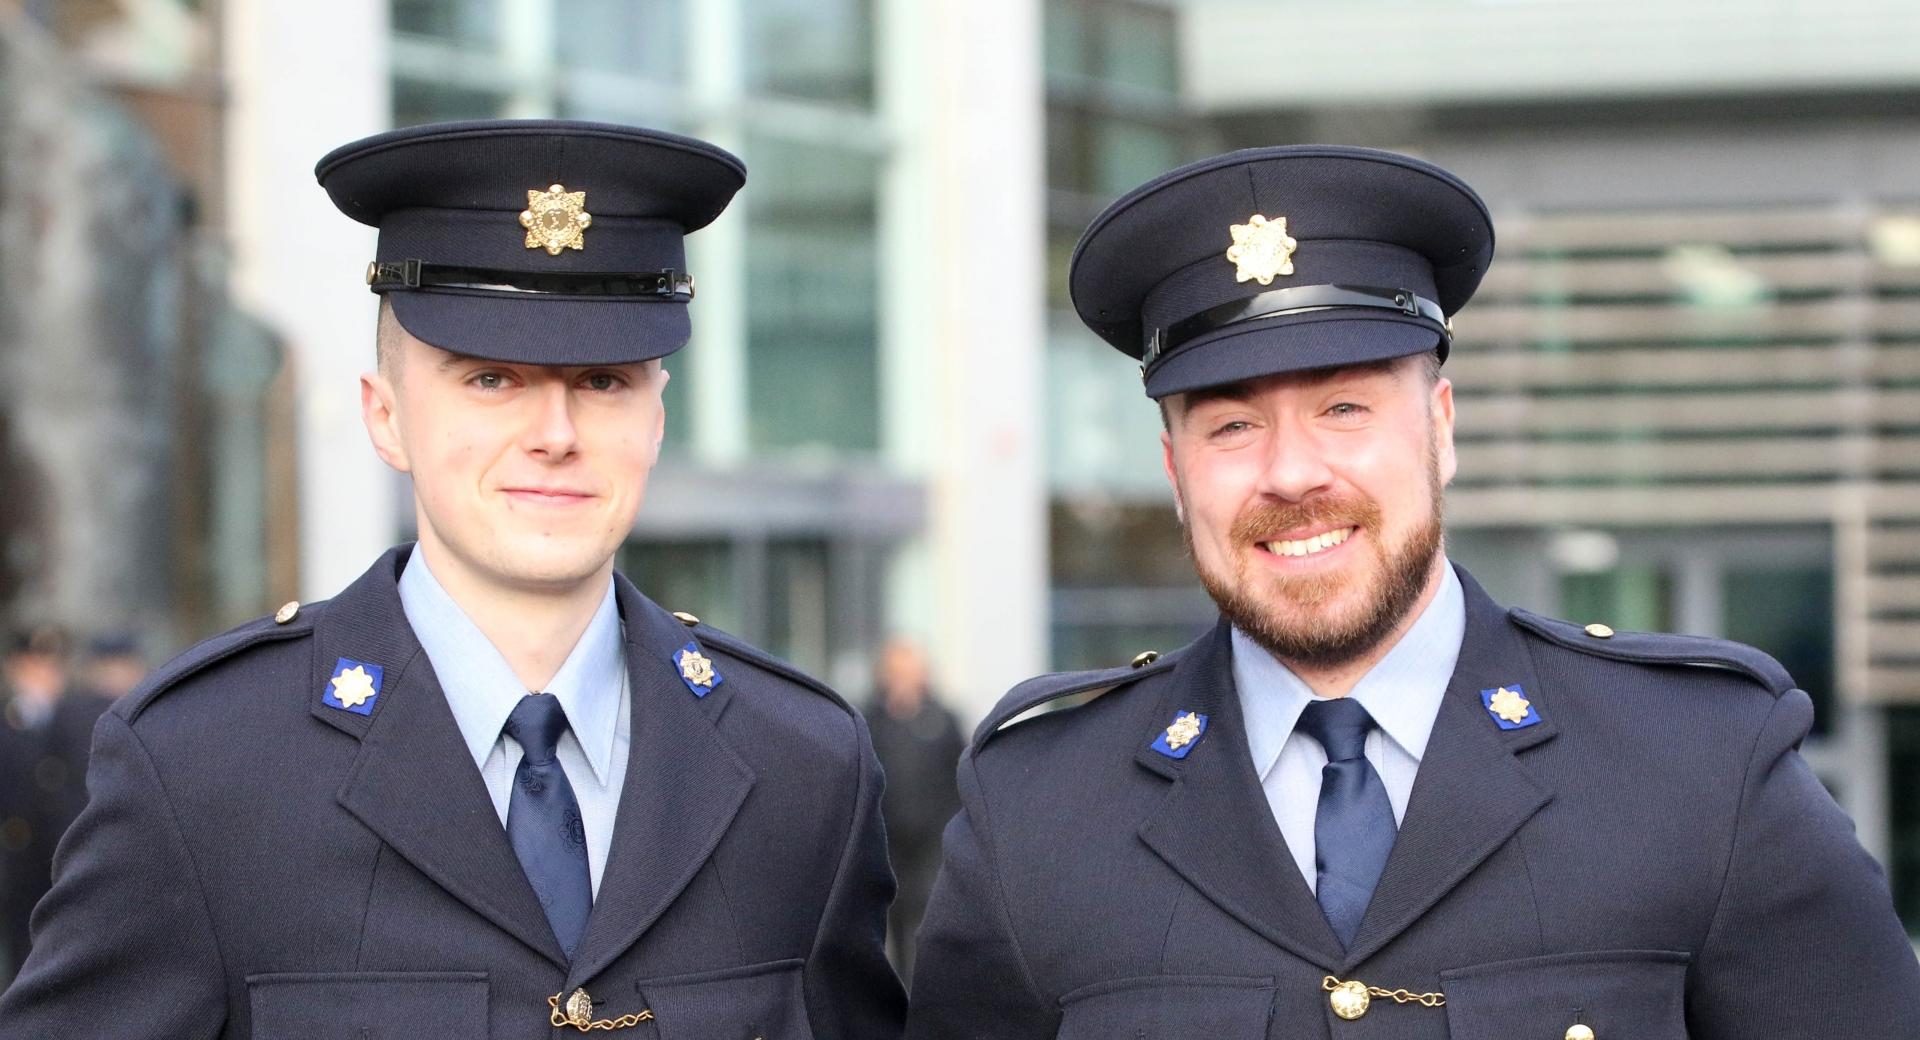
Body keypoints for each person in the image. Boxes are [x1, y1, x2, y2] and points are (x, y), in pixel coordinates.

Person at [906, 146, 1920, 1039]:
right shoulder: (1038, 810)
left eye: (1345, 407)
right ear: (1175, 472)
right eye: (1231, 426)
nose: (1292, 474)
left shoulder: (1700, 763)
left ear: (1440, 428)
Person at [0, 120, 904, 1039]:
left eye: (602, 381)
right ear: (385, 416)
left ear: (657, 418)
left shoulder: (805, 769)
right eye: (491, 380)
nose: (555, 435)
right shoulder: (203, 769)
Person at [0, 624, 111, 984]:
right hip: (21, 858)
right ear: (14, 667)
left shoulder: (82, 718)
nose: (44, 675)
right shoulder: (10, 722)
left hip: (67, 856)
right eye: (33, 665)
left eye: (51, 665)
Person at [864, 638, 963, 980]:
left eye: (910, 671)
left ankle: (926, 989)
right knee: (893, 917)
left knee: (926, 915)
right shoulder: (868, 721)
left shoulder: (944, 721)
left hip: (932, 842)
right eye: (896, 671)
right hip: (886, 841)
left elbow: (959, 777)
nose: (903, 679)